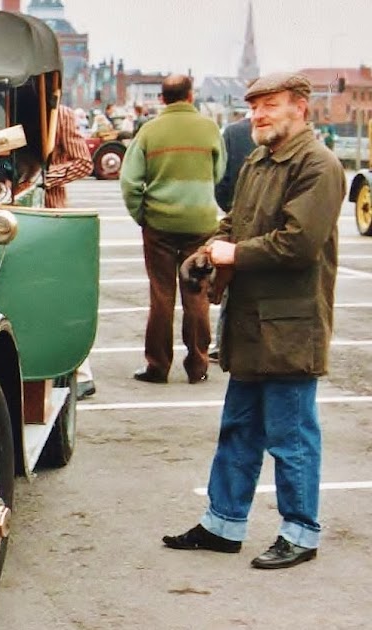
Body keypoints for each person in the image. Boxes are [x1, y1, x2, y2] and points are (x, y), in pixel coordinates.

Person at [162, 72, 344, 570]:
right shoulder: (260, 160)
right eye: (254, 107)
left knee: (291, 436)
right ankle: (224, 523)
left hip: (291, 323)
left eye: (270, 106)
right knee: (239, 428)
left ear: (300, 109)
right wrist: (207, 251)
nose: (257, 116)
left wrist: (233, 253)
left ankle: (300, 533)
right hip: (249, 321)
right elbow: (235, 223)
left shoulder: (318, 165)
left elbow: (298, 244)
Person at [120, 74, 225, 385]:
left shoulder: (149, 131)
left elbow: (129, 182)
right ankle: (198, 366)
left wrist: (143, 215)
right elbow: (218, 174)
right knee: (197, 295)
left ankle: (157, 366)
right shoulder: (209, 129)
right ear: (190, 96)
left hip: (160, 226)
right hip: (201, 225)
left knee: (162, 296)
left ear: (162, 98)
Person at [47, 104, 97, 399]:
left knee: (58, 294)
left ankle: (80, 370)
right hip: (1, 214)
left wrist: (43, 177)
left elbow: (83, 162)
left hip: (50, 213)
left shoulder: (61, 114)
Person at [208, 109, 258, 362]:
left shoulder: (233, 132)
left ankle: (222, 343)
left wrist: (230, 210)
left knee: (230, 281)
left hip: (237, 216)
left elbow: (222, 178)